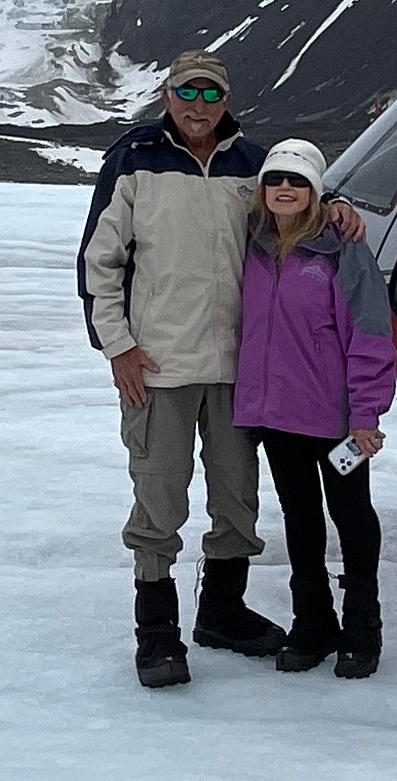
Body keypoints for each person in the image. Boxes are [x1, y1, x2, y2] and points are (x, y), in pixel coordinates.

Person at [78, 48, 357, 688]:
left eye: (210, 94)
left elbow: (296, 198)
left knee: (237, 498)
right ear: (168, 95)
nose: (198, 105)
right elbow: (99, 261)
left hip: (238, 367)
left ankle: (223, 612)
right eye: (187, 92)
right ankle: (157, 634)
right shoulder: (134, 160)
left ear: (225, 100)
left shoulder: (250, 163)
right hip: (157, 364)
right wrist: (117, 346)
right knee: (159, 499)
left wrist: (337, 204)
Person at [233, 139, 394, 678]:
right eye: (276, 179)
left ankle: (362, 624)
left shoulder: (342, 251)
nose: (285, 188)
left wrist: (367, 414)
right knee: (300, 518)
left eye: (298, 181)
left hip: (337, 419)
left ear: (316, 191)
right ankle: (313, 621)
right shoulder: (252, 244)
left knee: (351, 514)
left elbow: (370, 333)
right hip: (278, 415)